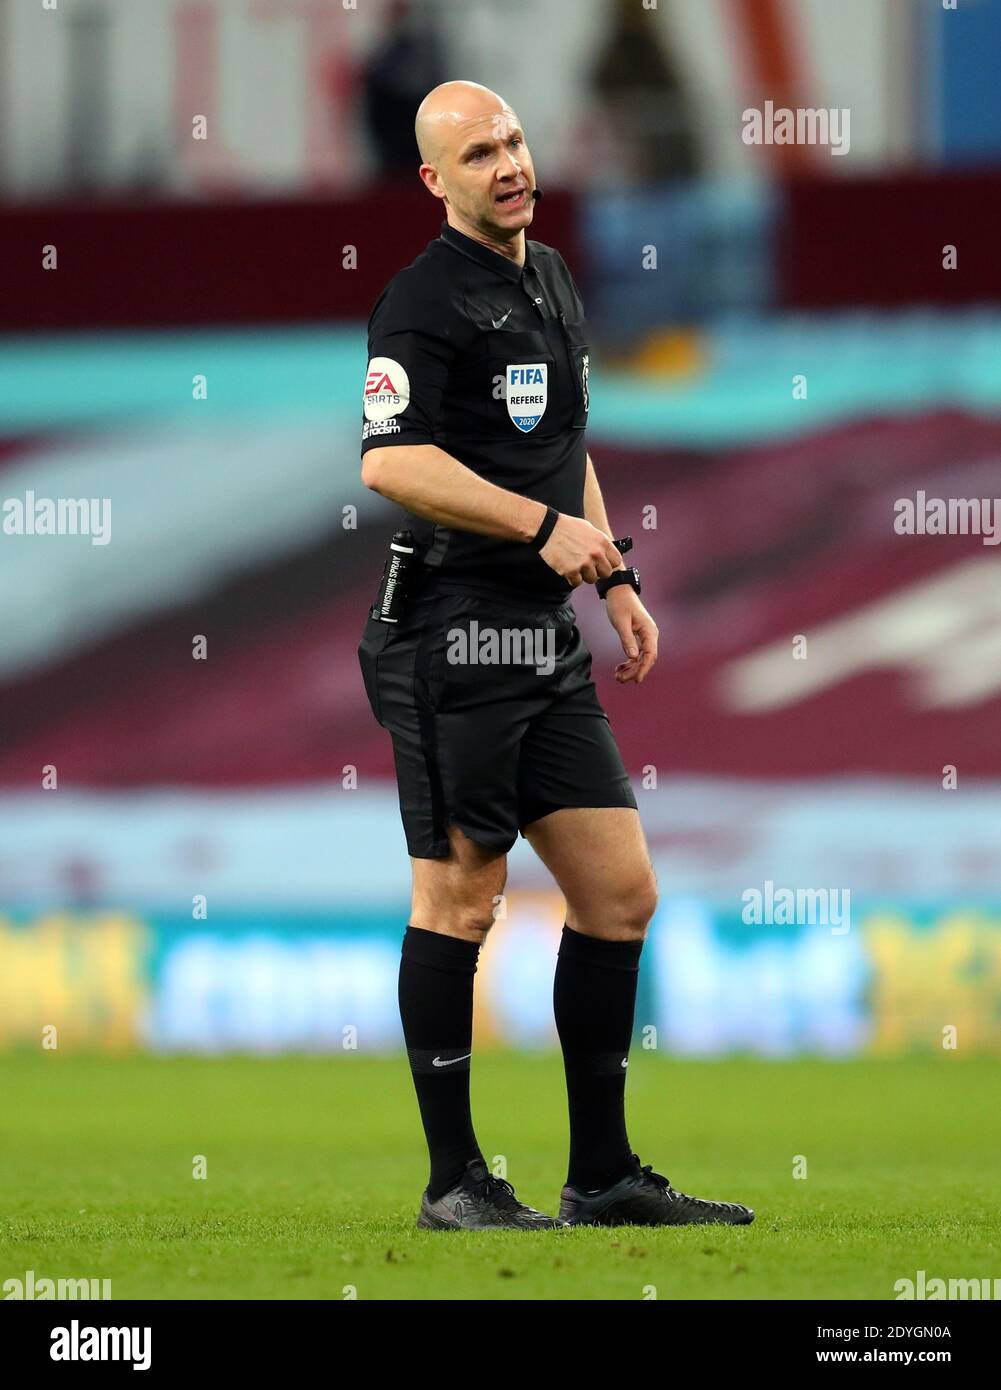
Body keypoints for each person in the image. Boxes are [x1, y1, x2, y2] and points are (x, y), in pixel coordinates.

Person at [358, 80, 753, 1231]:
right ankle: (453, 1184)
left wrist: (613, 574)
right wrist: (540, 532)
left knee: (619, 894)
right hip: (446, 636)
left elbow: (558, 448)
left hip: (539, 639)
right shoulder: (420, 303)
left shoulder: (551, 276)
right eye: (478, 153)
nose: (509, 164)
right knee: (460, 899)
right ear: (434, 180)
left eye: (516, 141)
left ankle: (602, 1175)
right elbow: (389, 462)